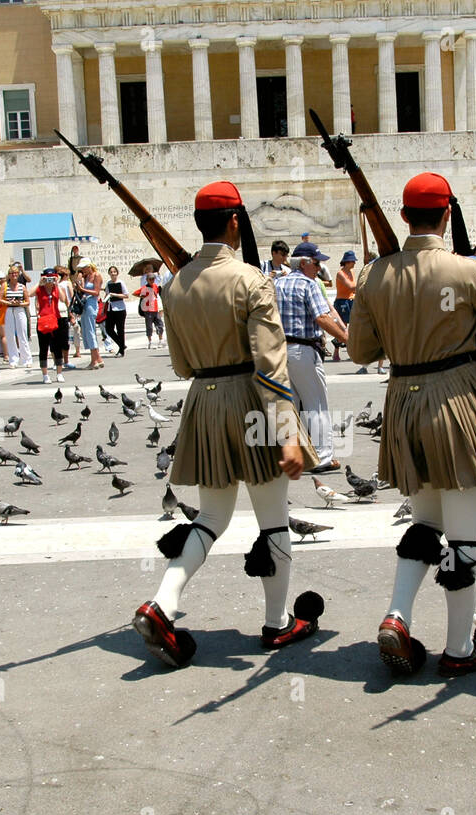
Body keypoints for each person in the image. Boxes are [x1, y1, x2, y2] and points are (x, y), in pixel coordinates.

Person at [348, 171, 476, 677]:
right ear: (446, 215)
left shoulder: (374, 275)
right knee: (463, 538)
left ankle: (398, 615)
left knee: (425, 522)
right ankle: (460, 648)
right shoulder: (467, 271)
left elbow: (360, 350)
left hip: (403, 403)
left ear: (404, 217)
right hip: (457, 401)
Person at [132, 180, 323, 668]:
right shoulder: (251, 280)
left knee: (211, 518)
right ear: (236, 221)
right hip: (252, 402)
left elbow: (179, 364)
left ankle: (162, 603)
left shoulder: (175, 285)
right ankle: (278, 623)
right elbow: (269, 362)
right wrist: (286, 432)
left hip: (204, 402)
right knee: (273, 519)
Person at [276, 241, 347, 473]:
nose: (319, 268)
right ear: (305, 263)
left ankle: (289, 455)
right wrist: (347, 338)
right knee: (316, 404)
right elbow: (322, 318)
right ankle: (322, 457)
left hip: (279, 350)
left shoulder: (278, 283)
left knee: (290, 406)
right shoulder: (309, 284)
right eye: (317, 263)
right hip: (304, 350)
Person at [34, 267, 71, 383]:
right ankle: (45, 375)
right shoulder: (40, 289)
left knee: (57, 347)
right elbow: (30, 294)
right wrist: (40, 282)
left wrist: (56, 284)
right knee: (43, 348)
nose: (49, 281)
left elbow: (63, 298)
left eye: (52, 278)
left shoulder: (56, 288)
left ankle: (59, 373)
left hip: (56, 320)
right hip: (44, 321)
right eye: (47, 278)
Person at [73, 261, 104, 364]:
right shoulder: (86, 277)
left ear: (89, 266)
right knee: (86, 331)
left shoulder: (97, 275)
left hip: (92, 303)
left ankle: (94, 360)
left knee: (90, 330)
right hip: (85, 303)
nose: (83, 270)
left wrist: (82, 289)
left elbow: (96, 292)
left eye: (84, 268)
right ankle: (97, 358)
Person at [1, 265, 31, 368]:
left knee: (22, 334)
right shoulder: (5, 286)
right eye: (12, 273)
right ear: (9, 275)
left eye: (16, 273)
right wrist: (9, 302)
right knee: (10, 335)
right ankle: (13, 359)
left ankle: (27, 359)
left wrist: (19, 303)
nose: (14, 275)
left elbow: (27, 302)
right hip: (9, 310)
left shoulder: (22, 286)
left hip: (19, 310)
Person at [332, 250, 357, 363]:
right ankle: (336, 351)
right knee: (342, 327)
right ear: (347, 262)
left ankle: (350, 351)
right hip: (342, 301)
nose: (354, 263)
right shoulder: (340, 273)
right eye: (352, 261)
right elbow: (351, 286)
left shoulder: (352, 272)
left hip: (351, 300)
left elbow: (353, 288)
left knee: (353, 327)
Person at [136, 265, 163, 350]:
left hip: (156, 306)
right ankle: (150, 341)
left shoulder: (156, 283)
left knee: (159, 324)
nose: (152, 280)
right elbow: (138, 293)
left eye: (153, 279)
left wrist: (158, 274)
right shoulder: (144, 282)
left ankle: (160, 340)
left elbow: (159, 284)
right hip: (148, 308)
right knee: (149, 325)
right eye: (150, 279)